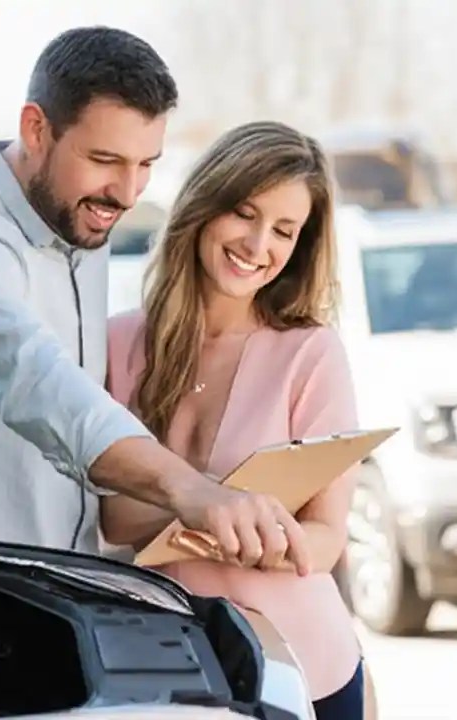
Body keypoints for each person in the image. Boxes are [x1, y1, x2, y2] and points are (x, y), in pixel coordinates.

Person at [0, 27, 312, 575]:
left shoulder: (79, 223)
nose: (128, 193)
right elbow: (43, 388)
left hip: (34, 595)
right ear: (36, 128)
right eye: (105, 159)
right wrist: (194, 492)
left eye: (146, 164)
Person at [103, 121, 365, 719]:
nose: (257, 244)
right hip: (164, 665)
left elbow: (325, 539)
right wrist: (227, 512)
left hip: (301, 668)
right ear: (205, 205)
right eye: (245, 213)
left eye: (284, 230)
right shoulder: (118, 342)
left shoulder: (312, 353)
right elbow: (112, 518)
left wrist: (247, 536)